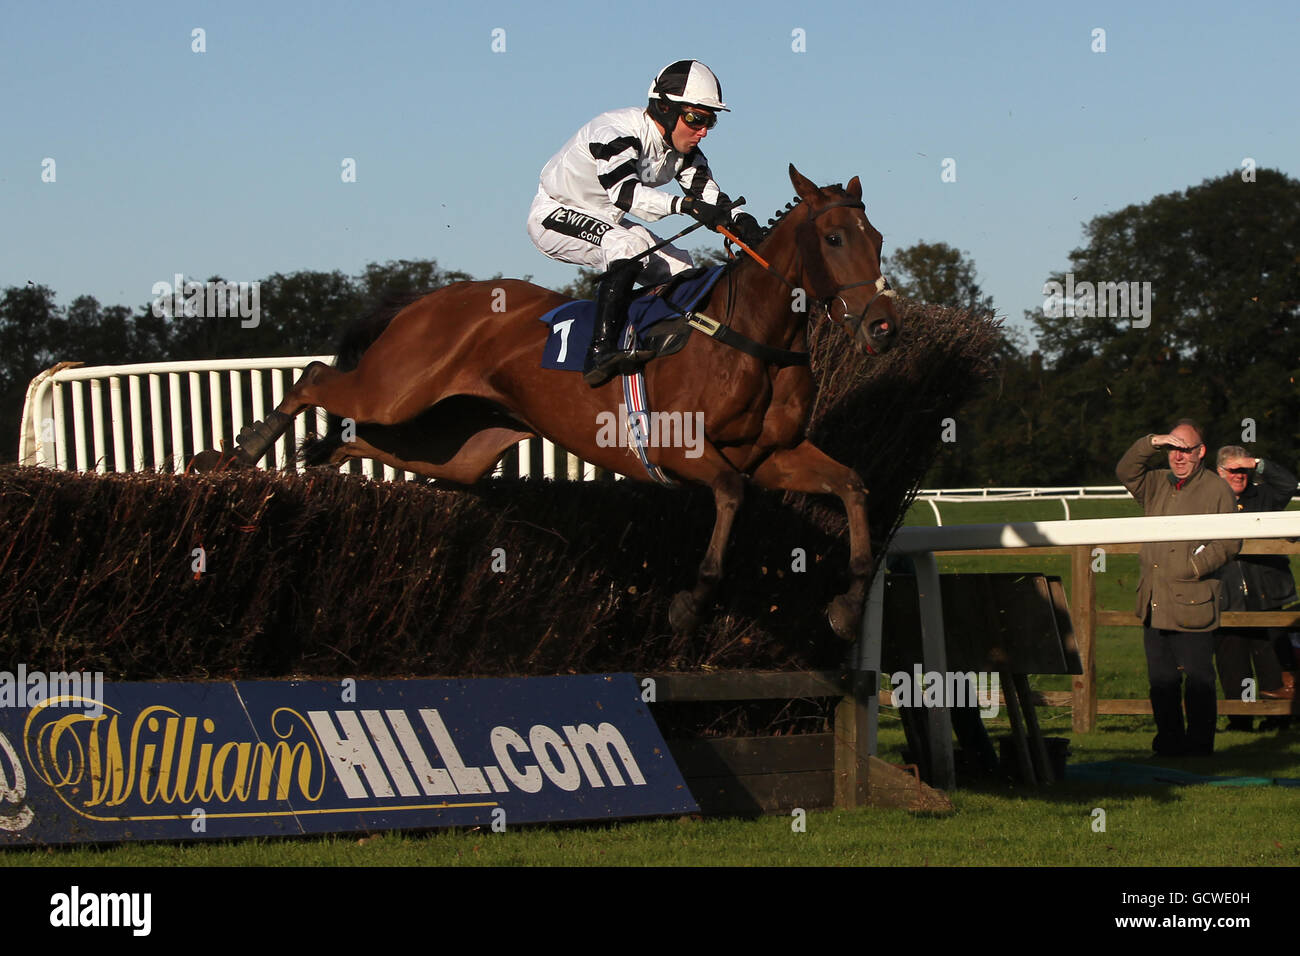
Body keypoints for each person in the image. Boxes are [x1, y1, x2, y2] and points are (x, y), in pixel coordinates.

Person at [526, 59, 762, 386]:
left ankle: (661, 346)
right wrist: (686, 206)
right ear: (665, 108)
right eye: (695, 118)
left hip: (607, 220)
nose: (703, 131)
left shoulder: (686, 152)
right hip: (554, 214)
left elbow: (710, 199)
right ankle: (600, 351)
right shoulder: (615, 133)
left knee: (681, 266)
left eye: (710, 121)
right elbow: (626, 196)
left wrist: (740, 219)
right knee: (627, 244)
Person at [1117, 421, 1241, 756]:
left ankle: (1200, 748)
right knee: (1161, 682)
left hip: (1193, 601)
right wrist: (1151, 441)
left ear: (1201, 452)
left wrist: (1193, 567)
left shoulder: (1217, 490)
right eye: (1172, 448)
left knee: (1199, 680)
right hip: (1155, 601)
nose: (1179, 456)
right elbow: (1126, 469)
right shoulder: (1155, 483)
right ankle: (1168, 744)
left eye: (1186, 448)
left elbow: (1229, 542)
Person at [1213, 446, 1298, 730]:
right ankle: (1239, 719)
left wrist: (1258, 462)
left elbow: (1288, 483)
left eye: (1244, 470)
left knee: (1271, 655)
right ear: (1220, 472)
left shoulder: (1263, 496)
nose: (1240, 475)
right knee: (1231, 658)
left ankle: (1277, 717)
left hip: (1266, 591)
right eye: (1233, 470)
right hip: (1225, 592)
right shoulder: (1208, 501)